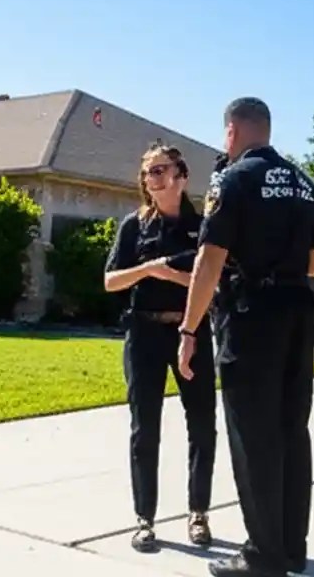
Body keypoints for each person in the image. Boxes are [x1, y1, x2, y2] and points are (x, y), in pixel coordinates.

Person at [176, 97, 314, 577]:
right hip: (298, 312)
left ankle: (262, 556)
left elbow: (210, 258)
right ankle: (290, 548)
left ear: (231, 132)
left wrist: (188, 328)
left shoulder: (232, 179)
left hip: (250, 316)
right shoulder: (304, 184)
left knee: (251, 434)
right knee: (291, 431)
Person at [104, 142, 217, 553]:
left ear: (181, 176)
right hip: (144, 335)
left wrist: (172, 277)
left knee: (202, 423)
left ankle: (198, 513)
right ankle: (144, 520)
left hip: (191, 332)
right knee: (144, 427)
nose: (151, 178)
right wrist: (150, 269)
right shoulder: (133, 227)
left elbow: (217, 282)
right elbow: (111, 281)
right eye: (147, 172)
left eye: (159, 170)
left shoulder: (204, 226)